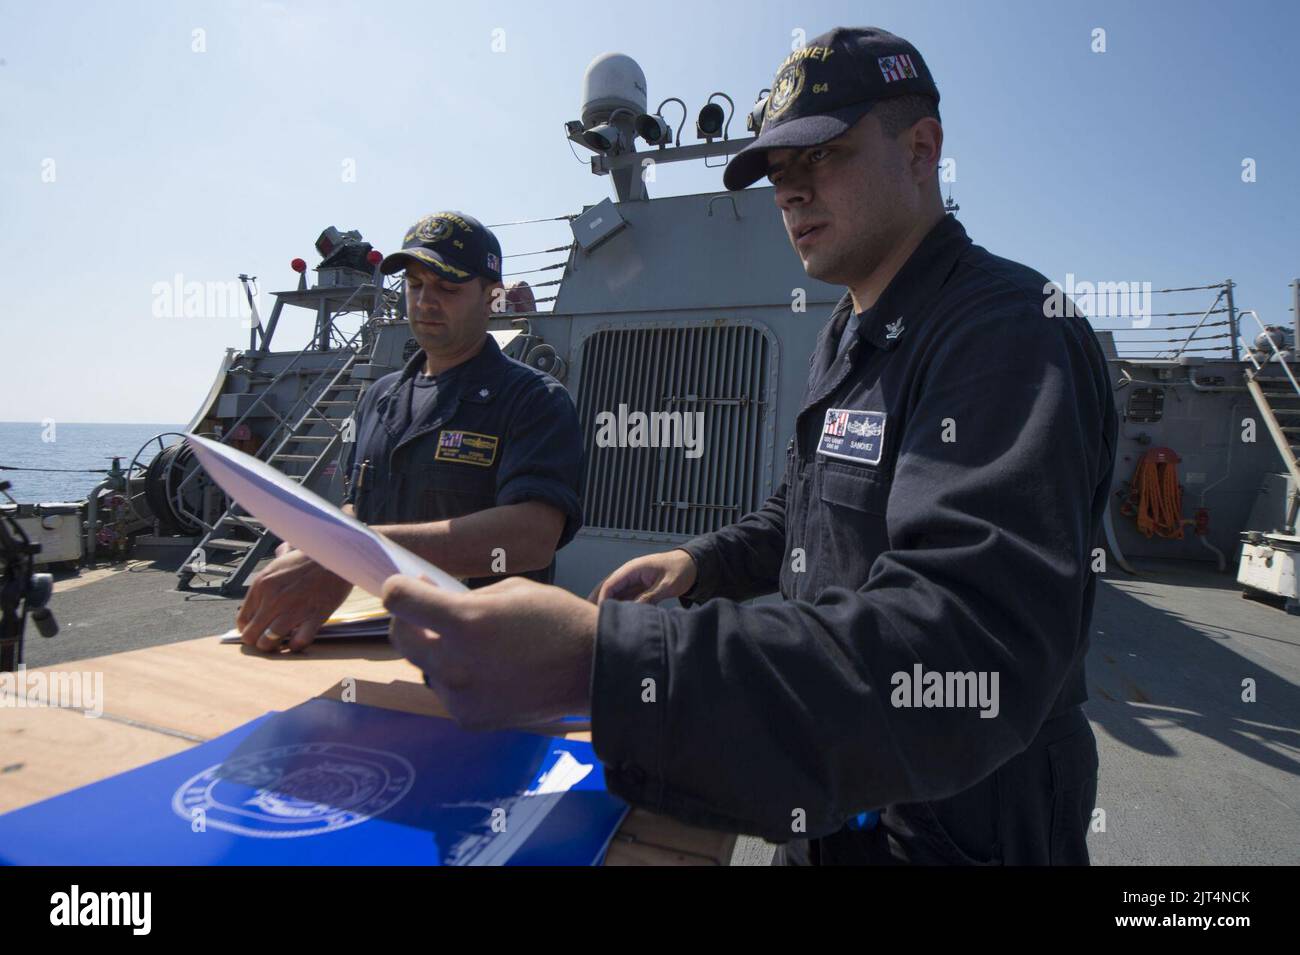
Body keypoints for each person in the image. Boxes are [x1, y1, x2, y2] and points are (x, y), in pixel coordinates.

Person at [376, 28, 1118, 865]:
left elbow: (965, 641)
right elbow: (801, 512)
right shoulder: (850, 329)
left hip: (961, 824)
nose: (790, 193)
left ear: (922, 148)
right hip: (831, 790)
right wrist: (698, 563)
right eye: (777, 171)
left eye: (823, 156)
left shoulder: (1007, 331)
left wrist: (605, 663)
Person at [235, 211, 584, 652]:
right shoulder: (379, 397)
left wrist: (350, 553)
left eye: (448, 287)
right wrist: (316, 546)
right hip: (369, 641)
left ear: (491, 297)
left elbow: (531, 537)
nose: (424, 302)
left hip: (484, 657)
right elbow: (355, 507)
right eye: (415, 285)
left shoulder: (534, 400)